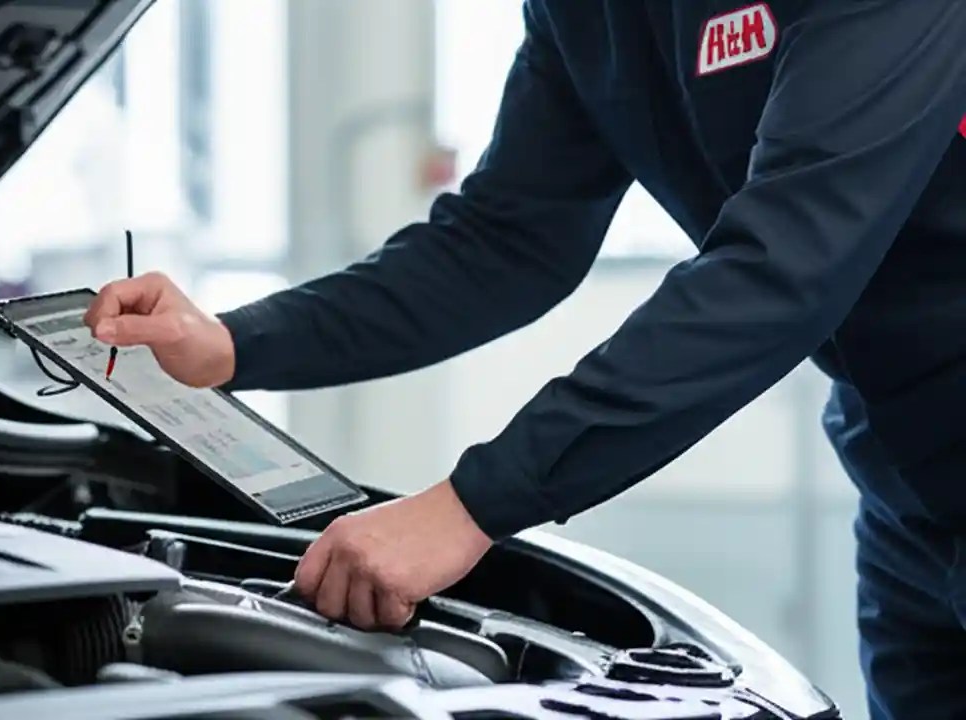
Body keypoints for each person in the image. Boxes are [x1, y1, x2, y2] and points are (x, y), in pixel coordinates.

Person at [84, 2, 966, 717]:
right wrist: (235, 342)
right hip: (901, 473)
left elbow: (780, 272)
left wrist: (473, 505)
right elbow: (506, 240)